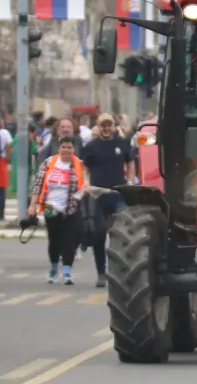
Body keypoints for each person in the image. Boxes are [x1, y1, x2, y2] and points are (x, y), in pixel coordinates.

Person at [78, 114, 135, 286]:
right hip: (98, 194)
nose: (106, 128)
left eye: (109, 125)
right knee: (99, 233)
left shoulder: (122, 144)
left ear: (113, 126)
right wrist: (86, 182)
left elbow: (130, 162)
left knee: (124, 232)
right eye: (103, 125)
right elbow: (84, 167)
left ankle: (122, 272)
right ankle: (101, 273)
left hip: (117, 194)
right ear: (98, 126)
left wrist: (130, 181)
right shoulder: (91, 146)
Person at [30, 137, 88, 284]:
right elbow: (38, 185)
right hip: (50, 207)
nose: (66, 150)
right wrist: (32, 205)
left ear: (73, 149)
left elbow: (85, 185)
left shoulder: (79, 165)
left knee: (69, 239)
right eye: (64, 147)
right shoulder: (49, 163)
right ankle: (54, 268)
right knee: (54, 239)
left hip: (71, 206)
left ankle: (67, 272)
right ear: (59, 148)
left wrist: (81, 195)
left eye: (69, 147)